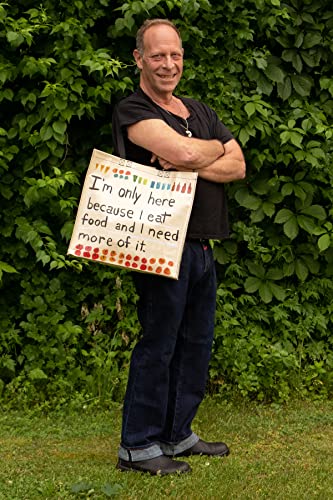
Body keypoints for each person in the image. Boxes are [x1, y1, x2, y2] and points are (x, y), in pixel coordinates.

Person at [112, 18, 246, 476]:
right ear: (139, 60)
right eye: (158, 56)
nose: (169, 64)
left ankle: (176, 433)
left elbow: (239, 164)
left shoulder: (199, 110)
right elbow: (204, 154)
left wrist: (191, 158)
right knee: (160, 343)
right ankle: (138, 445)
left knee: (195, 344)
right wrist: (210, 153)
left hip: (203, 244)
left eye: (175, 55)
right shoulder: (133, 109)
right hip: (159, 244)